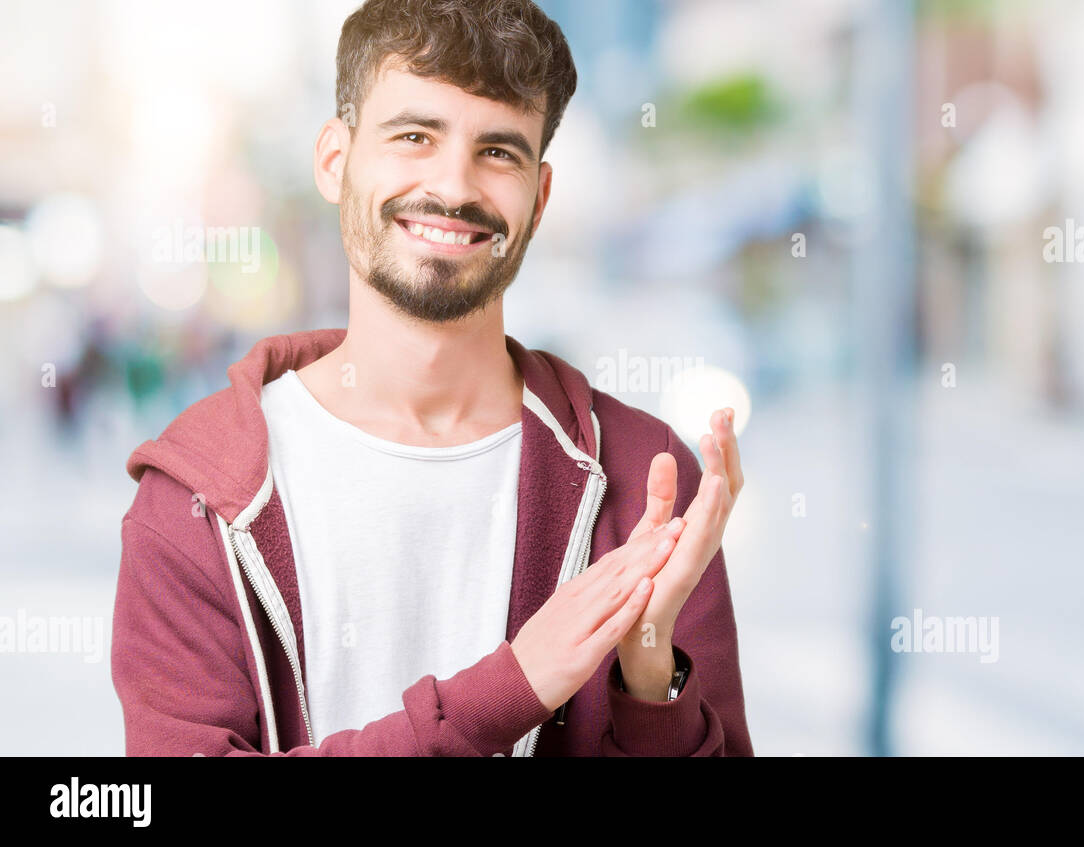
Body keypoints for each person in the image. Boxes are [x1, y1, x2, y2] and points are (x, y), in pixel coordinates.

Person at [111, 0, 752, 756]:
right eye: (414, 136)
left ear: (539, 199)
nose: (453, 186)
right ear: (333, 161)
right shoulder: (197, 501)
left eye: (499, 153)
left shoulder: (648, 480)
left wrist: (649, 676)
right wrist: (512, 686)